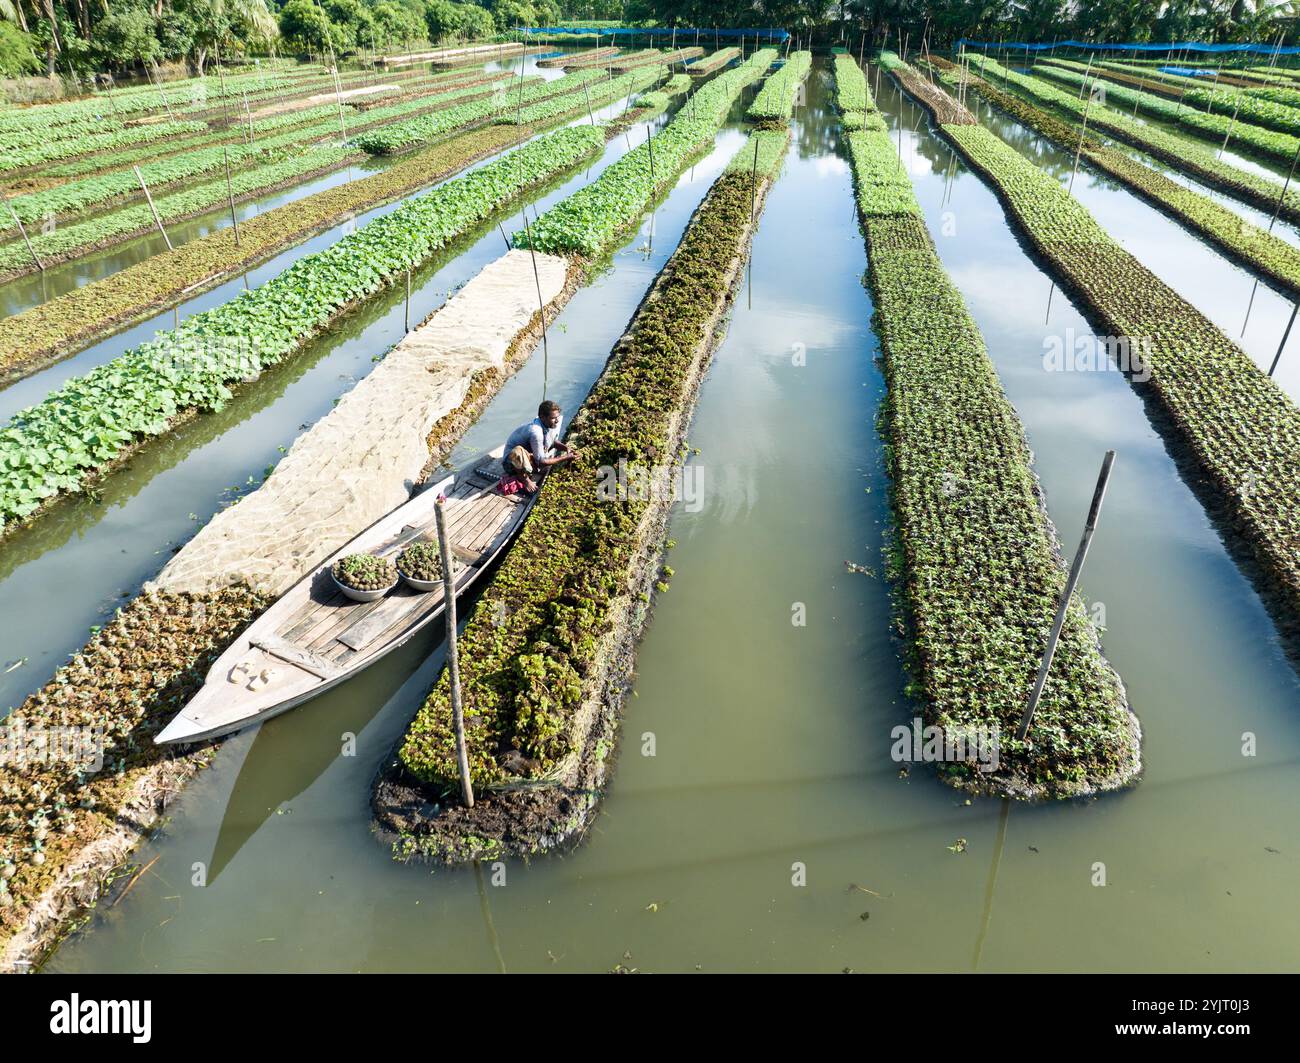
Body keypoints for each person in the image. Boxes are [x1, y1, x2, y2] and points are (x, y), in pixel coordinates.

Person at [501, 400, 578, 494]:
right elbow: (541, 462)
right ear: (542, 417)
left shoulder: (545, 425)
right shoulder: (536, 432)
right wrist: (566, 457)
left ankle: (528, 468)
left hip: (527, 456)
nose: (557, 421)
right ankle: (525, 480)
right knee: (518, 452)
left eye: (557, 417)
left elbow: (552, 442)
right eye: (553, 418)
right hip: (511, 463)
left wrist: (566, 448)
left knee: (546, 466)